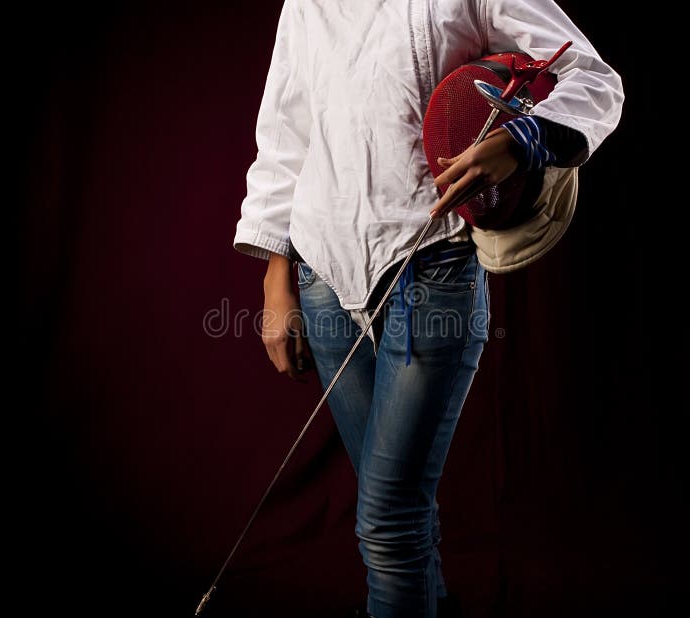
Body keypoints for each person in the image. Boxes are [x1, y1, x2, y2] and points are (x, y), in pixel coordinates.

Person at [233, 1, 623, 616]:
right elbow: (287, 135)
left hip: (429, 267)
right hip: (321, 278)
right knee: (398, 517)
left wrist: (521, 140)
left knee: (388, 522)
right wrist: (275, 278)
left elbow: (594, 80)